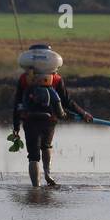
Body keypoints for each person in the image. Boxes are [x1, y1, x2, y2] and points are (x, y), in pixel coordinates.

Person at [9, 44, 91, 187]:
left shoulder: (24, 79)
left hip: (30, 120)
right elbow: (67, 101)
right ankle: (48, 174)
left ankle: (35, 187)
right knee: (46, 146)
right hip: (50, 120)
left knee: (33, 156)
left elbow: (17, 104)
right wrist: (83, 113)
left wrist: (16, 127)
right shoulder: (56, 79)